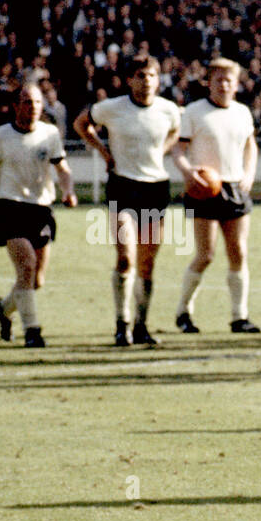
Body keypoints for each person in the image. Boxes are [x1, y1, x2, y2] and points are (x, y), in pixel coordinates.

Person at [74, 55, 180, 347]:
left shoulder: (168, 110)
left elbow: (176, 132)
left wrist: (163, 151)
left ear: (158, 79)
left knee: (147, 264)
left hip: (156, 188)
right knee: (125, 258)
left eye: (151, 75)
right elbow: (81, 123)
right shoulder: (112, 107)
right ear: (129, 79)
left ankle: (142, 325)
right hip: (123, 187)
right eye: (140, 75)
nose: (146, 81)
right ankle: (121, 325)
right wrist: (104, 152)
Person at [0, 83, 78, 348]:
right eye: (27, 102)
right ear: (16, 106)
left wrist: (69, 190)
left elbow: (62, 168)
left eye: (38, 102)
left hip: (41, 209)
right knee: (26, 266)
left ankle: (3, 309)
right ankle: (32, 331)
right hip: (10, 207)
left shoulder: (50, 134)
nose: (34, 108)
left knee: (35, 280)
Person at [172, 57, 261, 335]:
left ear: (236, 84)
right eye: (218, 79)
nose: (224, 84)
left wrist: (248, 174)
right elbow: (177, 149)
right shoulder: (193, 112)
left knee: (238, 252)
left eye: (229, 80)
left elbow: (251, 146)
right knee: (206, 254)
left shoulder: (242, 112)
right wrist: (188, 172)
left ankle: (239, 317)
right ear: (208, 82)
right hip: (204, 189)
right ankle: (183, 312)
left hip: (235, 187)